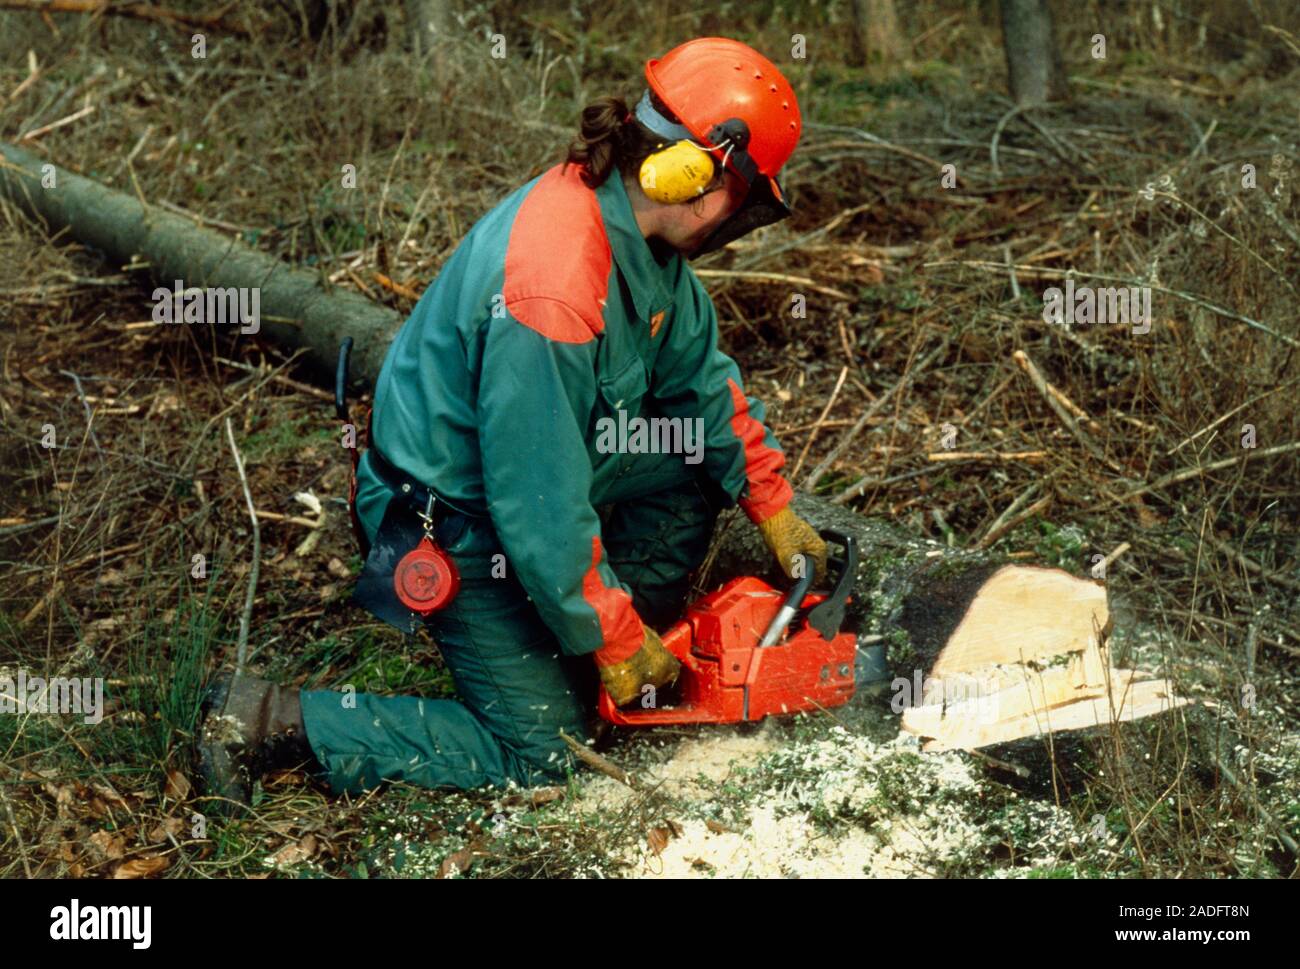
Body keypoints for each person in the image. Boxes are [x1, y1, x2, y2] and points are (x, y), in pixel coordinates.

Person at [196, 36, 828, 807]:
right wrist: (614, 634)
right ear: (698, 173)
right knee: (543, 752)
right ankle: (269, 716)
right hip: (453, 518)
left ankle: (580, 640)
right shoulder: (556, 282)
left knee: (690, 458)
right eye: (746, 194)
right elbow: (538, 501)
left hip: (539, 472)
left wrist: (774, 504)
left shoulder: (644, 236)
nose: (737, 217)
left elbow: (701, 380)